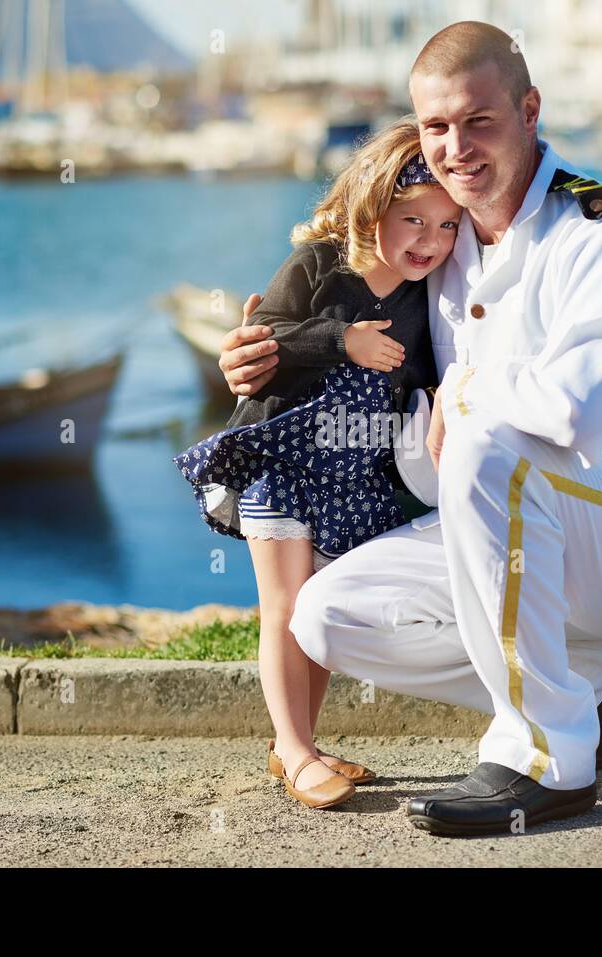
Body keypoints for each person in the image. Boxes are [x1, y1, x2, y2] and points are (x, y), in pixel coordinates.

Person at [219, 21, 602, 836]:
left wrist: (463, 392)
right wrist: (266, 353)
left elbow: (576, 414)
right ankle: (584, 679)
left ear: (530, 110)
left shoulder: (596, 230)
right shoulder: (445, 239)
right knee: (325, 617)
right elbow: (343, 292)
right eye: (435, 126)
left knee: (485, 435)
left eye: (479, 121)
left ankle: (544, 759)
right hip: (533, 521)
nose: (455, 148)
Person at [173, 119, 461, 810]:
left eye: (449, 226)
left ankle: (300, 741)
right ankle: (295, 749)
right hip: (286, 453)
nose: (431, 240)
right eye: (414, 219)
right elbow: (263, 333)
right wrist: (342, 339)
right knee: (283, 606)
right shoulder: (319, 266)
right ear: (372, 209)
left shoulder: (423, 300)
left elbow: (421, 369)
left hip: (355, 471)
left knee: (322, 608)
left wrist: (443, 394)